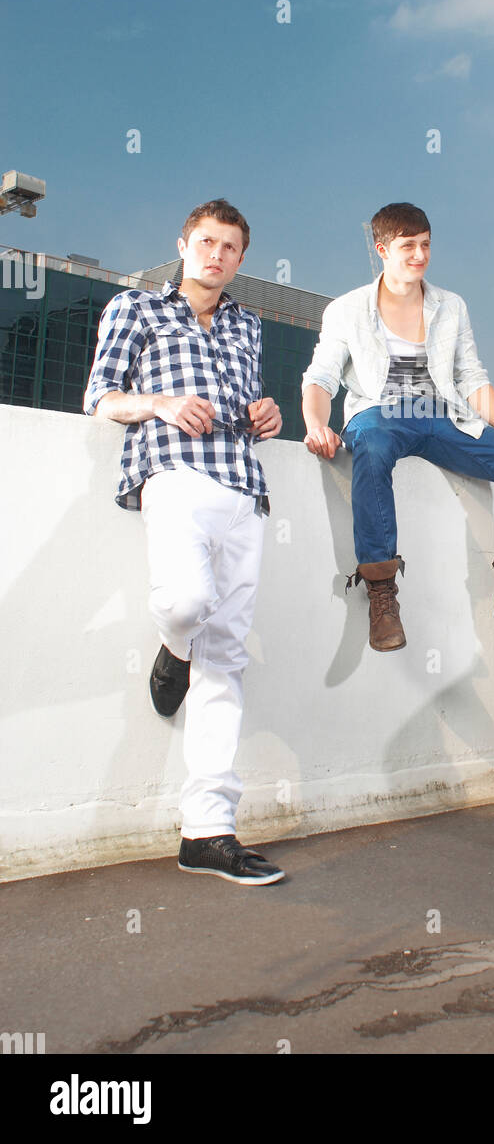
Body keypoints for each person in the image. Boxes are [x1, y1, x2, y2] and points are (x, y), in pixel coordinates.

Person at [84, 199, 286, 886]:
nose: (217, 255)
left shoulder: (247, 325)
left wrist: (267, 414)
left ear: (240, 259)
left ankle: (207, 831)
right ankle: (174, 650)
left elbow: (244, 405)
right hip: (171, 473)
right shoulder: (136, 310)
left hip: (242, 488)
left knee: (226, 657)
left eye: (231, 247)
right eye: (206, 241)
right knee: (186, 602)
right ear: (183, 244)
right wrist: (161, 404)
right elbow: (102, 396)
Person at [301, 201, 494, 650]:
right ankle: (382, 594)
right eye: (407, 246)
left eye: (425, 245)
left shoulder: (450, 306)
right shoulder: (347, 309)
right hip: (379, 413)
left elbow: (471, 377)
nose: (419, 255)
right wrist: (316, 424)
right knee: (373, 449)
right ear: (382, 248)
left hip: (440, 415)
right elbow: (321, 377)